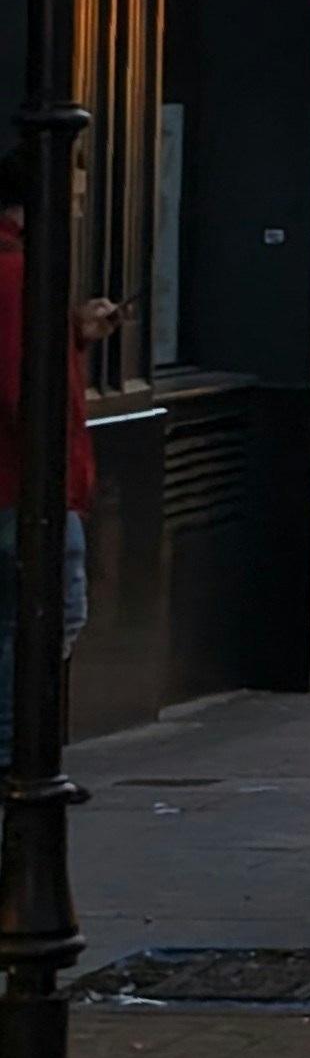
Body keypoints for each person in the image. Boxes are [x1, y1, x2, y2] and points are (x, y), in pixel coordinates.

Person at [0, 154, 100, 757]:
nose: (80, 210)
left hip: (22, 485)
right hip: (24, 488)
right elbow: (25, 391)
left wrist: (72, 332)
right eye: (74, 196)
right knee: (49, 617)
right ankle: (16, 753)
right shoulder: (16, 274)